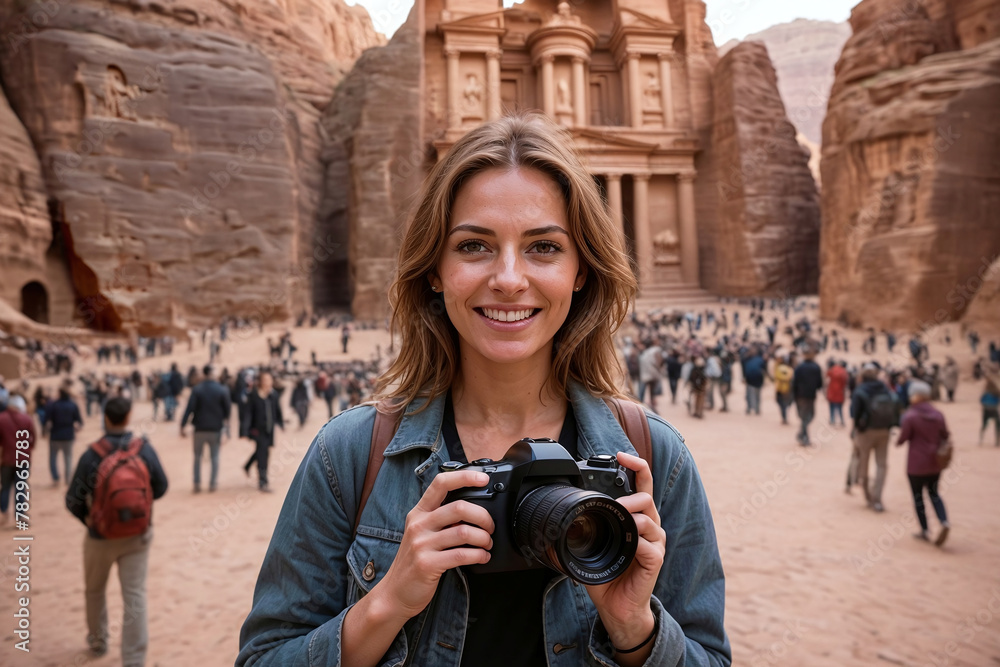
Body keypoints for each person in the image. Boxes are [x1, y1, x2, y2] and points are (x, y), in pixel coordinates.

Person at [237, 113, 730, 666]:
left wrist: (634, 628)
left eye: (544, 247)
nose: (509, 279)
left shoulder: (653, 457)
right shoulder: (350, 455)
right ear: (434, 269)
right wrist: (388, 602)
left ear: (582, 270)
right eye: (475, 246)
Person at [65, 397, 169, 664]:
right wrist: (136, 506)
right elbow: (161, 486)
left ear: (105, 417)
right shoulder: (143, 450)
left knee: (95, 590)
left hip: (100, 538)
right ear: (128, 415)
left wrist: (91, 520)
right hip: (137, 535)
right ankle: (134, 659)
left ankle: (99, 642)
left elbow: (72, 500)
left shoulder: (92, 455)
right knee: (135, 596)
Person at [895, 380, 950, 545]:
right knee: (934, 493)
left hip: (916, 464)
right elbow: (945, 435)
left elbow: (902, 438)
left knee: (918, 497)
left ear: (917, 396)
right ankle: (944, 521)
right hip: (935, 462)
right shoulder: (938, 414)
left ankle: (925, 530)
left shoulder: (910, 416)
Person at [850, 364, 899, 512]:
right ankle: (877, 498)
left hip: (865, 432)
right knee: (882, 465)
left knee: (864, 464)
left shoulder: (860, 390)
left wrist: (856, 428)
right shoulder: (885, 388)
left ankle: (868, 496)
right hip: (884, 431)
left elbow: (854, 414)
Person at [180, 365, 232, 493]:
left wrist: (183, 425)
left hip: (199, 429)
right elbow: (228, 411)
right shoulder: (221, 389)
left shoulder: (197, 389)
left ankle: (197, 484)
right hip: (215, 429)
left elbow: (189, 409)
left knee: (197, 457)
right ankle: (213, 484)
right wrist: (227, 429)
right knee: (215, 457)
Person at [241, 371, 284, 492]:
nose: (267, 382)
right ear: (260, 381)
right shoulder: (254, 395)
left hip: (269, 431)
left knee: (263, 451)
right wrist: (245, 431)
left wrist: (280, 422)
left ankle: (247, 466)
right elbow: (248, 414)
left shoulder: (273, 395)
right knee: (262, 454)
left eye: (269, 380)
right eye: (265, 380)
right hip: (257, 431)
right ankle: (263, 481)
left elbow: (277, 409)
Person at [0, 396, 35, 525]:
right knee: (20, 487)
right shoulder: (26, 418)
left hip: (7, 459)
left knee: (5, 487)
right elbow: (33, 438)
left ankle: (4, 512)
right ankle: (20, 516)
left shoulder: (1, 419)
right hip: (23, 458)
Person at [44, 383, 84, 485]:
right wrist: (77, 429)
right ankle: (68, 479)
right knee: (68, 458)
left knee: (53, 458)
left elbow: (46, 420)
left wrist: (45, 430)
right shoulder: (72, 405)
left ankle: (55, 478)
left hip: (55, 435)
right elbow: (79, 421)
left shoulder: (53, 405)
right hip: (68, 435)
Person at [791, 348, 823, 445]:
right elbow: (819, 384)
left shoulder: (799, 367)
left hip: (800, 395)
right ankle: (805, 438)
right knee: (809, 416)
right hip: (810, 395)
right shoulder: (816, 367)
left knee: (804, 416)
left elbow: (794, 382)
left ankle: (801, 433)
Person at [980, 362, 1000, 447]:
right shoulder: (995, 389)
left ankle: (981, 440)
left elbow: (981, 400)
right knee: (996, 425)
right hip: (993, 407)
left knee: (985, 425)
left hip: (987, 407)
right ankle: (996, 441)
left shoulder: (987, 390)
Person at [826, 359, 848, 426]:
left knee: (831, 407)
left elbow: (826, 378)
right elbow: (845, 383)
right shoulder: (843, 372)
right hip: (840, 392)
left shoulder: (832, 370)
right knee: (840, 408)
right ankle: (842, 421)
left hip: (831, 391)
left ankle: (832, 420)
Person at [773, 355, 794, 425]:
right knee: (784, 404)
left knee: (782, 404)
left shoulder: (779, 368)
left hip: (780, 389)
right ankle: (784, 416)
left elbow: (776, 375)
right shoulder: (790, 369)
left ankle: (784, 417)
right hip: (787, 389)